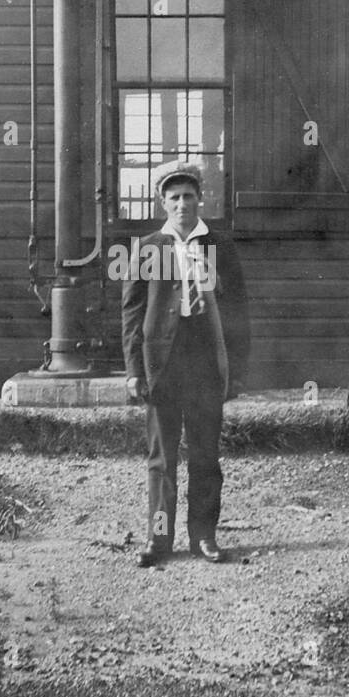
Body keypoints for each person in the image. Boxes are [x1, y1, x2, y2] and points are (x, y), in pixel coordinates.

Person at [121, 161, 250, 567]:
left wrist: (238, 369)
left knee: (205, 455)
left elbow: (237, 310)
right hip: (162, 363)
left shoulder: (219, 245)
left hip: (206, 361)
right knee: (161, 459)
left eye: (188, 196)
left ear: (200, 199)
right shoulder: (147, 248)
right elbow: (131, 313)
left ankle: (204, 538)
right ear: (162, 202)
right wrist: (133, 371)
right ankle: (159, 541)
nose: (182, 204)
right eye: (174, 197)